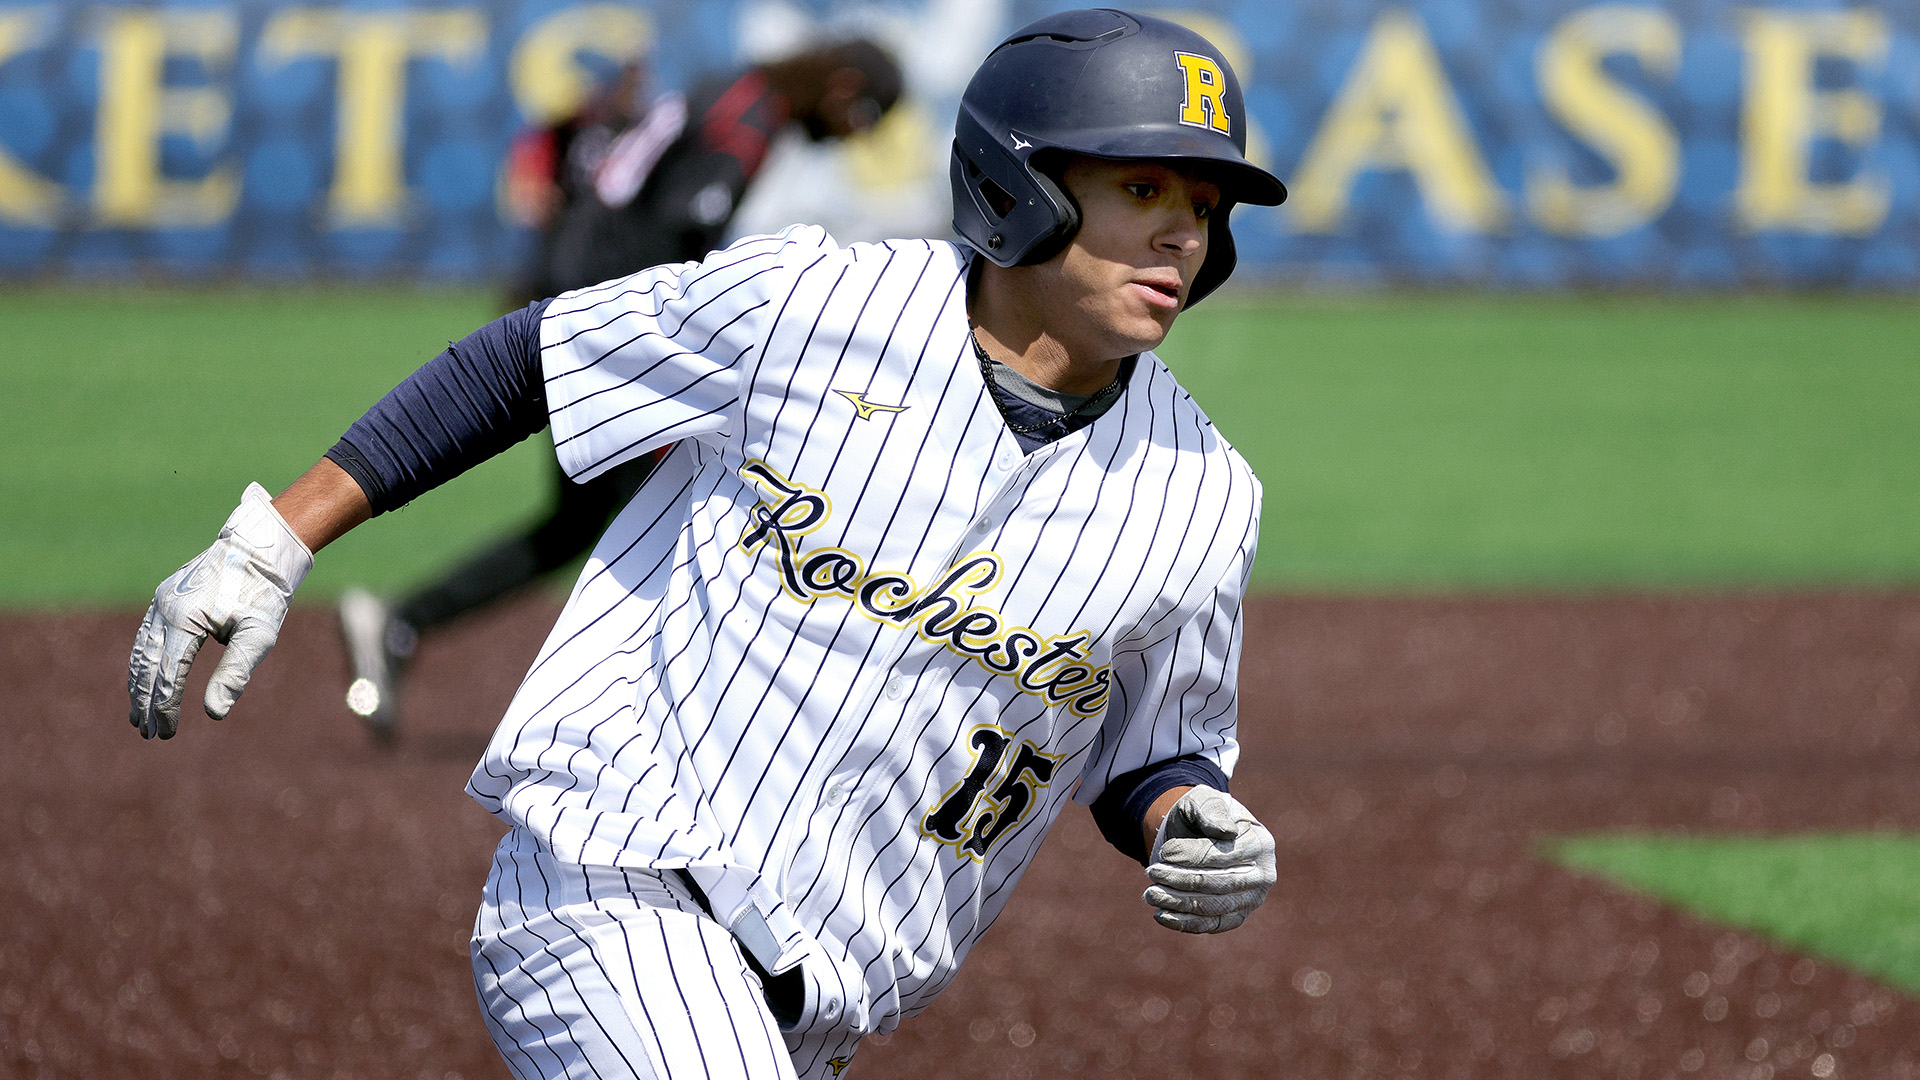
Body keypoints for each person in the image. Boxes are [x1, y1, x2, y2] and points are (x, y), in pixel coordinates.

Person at [127, 10, 1282, 1079]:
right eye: (1142, 185)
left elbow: (1150, 747)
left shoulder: (1205, 496)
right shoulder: (811, 305)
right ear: (1022, 185)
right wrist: (276, 537)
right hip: (615, 893)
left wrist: (1188, 819)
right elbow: (530, 360)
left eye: (1207, 203)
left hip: (824, 1009)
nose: (1183, 231)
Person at [337, 39, 904, 740]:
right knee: (682, 520)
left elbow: (608, 181)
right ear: (843, 84)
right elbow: (687, 223)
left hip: (582, 295)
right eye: (866, 114)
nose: (857, 134)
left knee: (587, 524)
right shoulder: (748, 119)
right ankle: (642, 721)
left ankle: (400, 623)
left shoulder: (724, 85)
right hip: (613, 328)